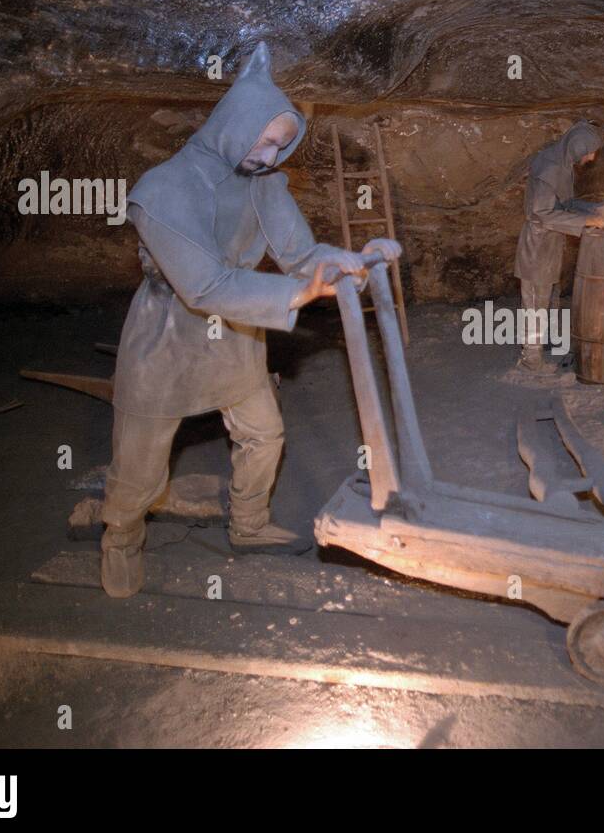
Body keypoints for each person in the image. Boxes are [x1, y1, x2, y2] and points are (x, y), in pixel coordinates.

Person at [100, 41, 399, 598]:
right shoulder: (162, 191)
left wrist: (351, 262)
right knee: (140, 470)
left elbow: (303, 258)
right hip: (167, 339)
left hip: (235, 336)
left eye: (281, 147)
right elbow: (206, 285)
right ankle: (120, 537)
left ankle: (250, 523)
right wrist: (297, 292)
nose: (270, 157)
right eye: (265, 142)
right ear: (235, 126)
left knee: (264, 433)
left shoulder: (264, 185)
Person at [513, 120, 604, 372]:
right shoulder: (549, 167)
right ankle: (531, 359)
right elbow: (542, 213)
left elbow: (563, 206)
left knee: (549, 297)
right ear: (578, 146)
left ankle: (543, 344)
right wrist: (586, 220)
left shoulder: (562, 163)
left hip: (550, 243)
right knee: (536, 301)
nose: (591, 158)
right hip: (538, 244)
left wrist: (593, 209)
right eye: (590, 151)